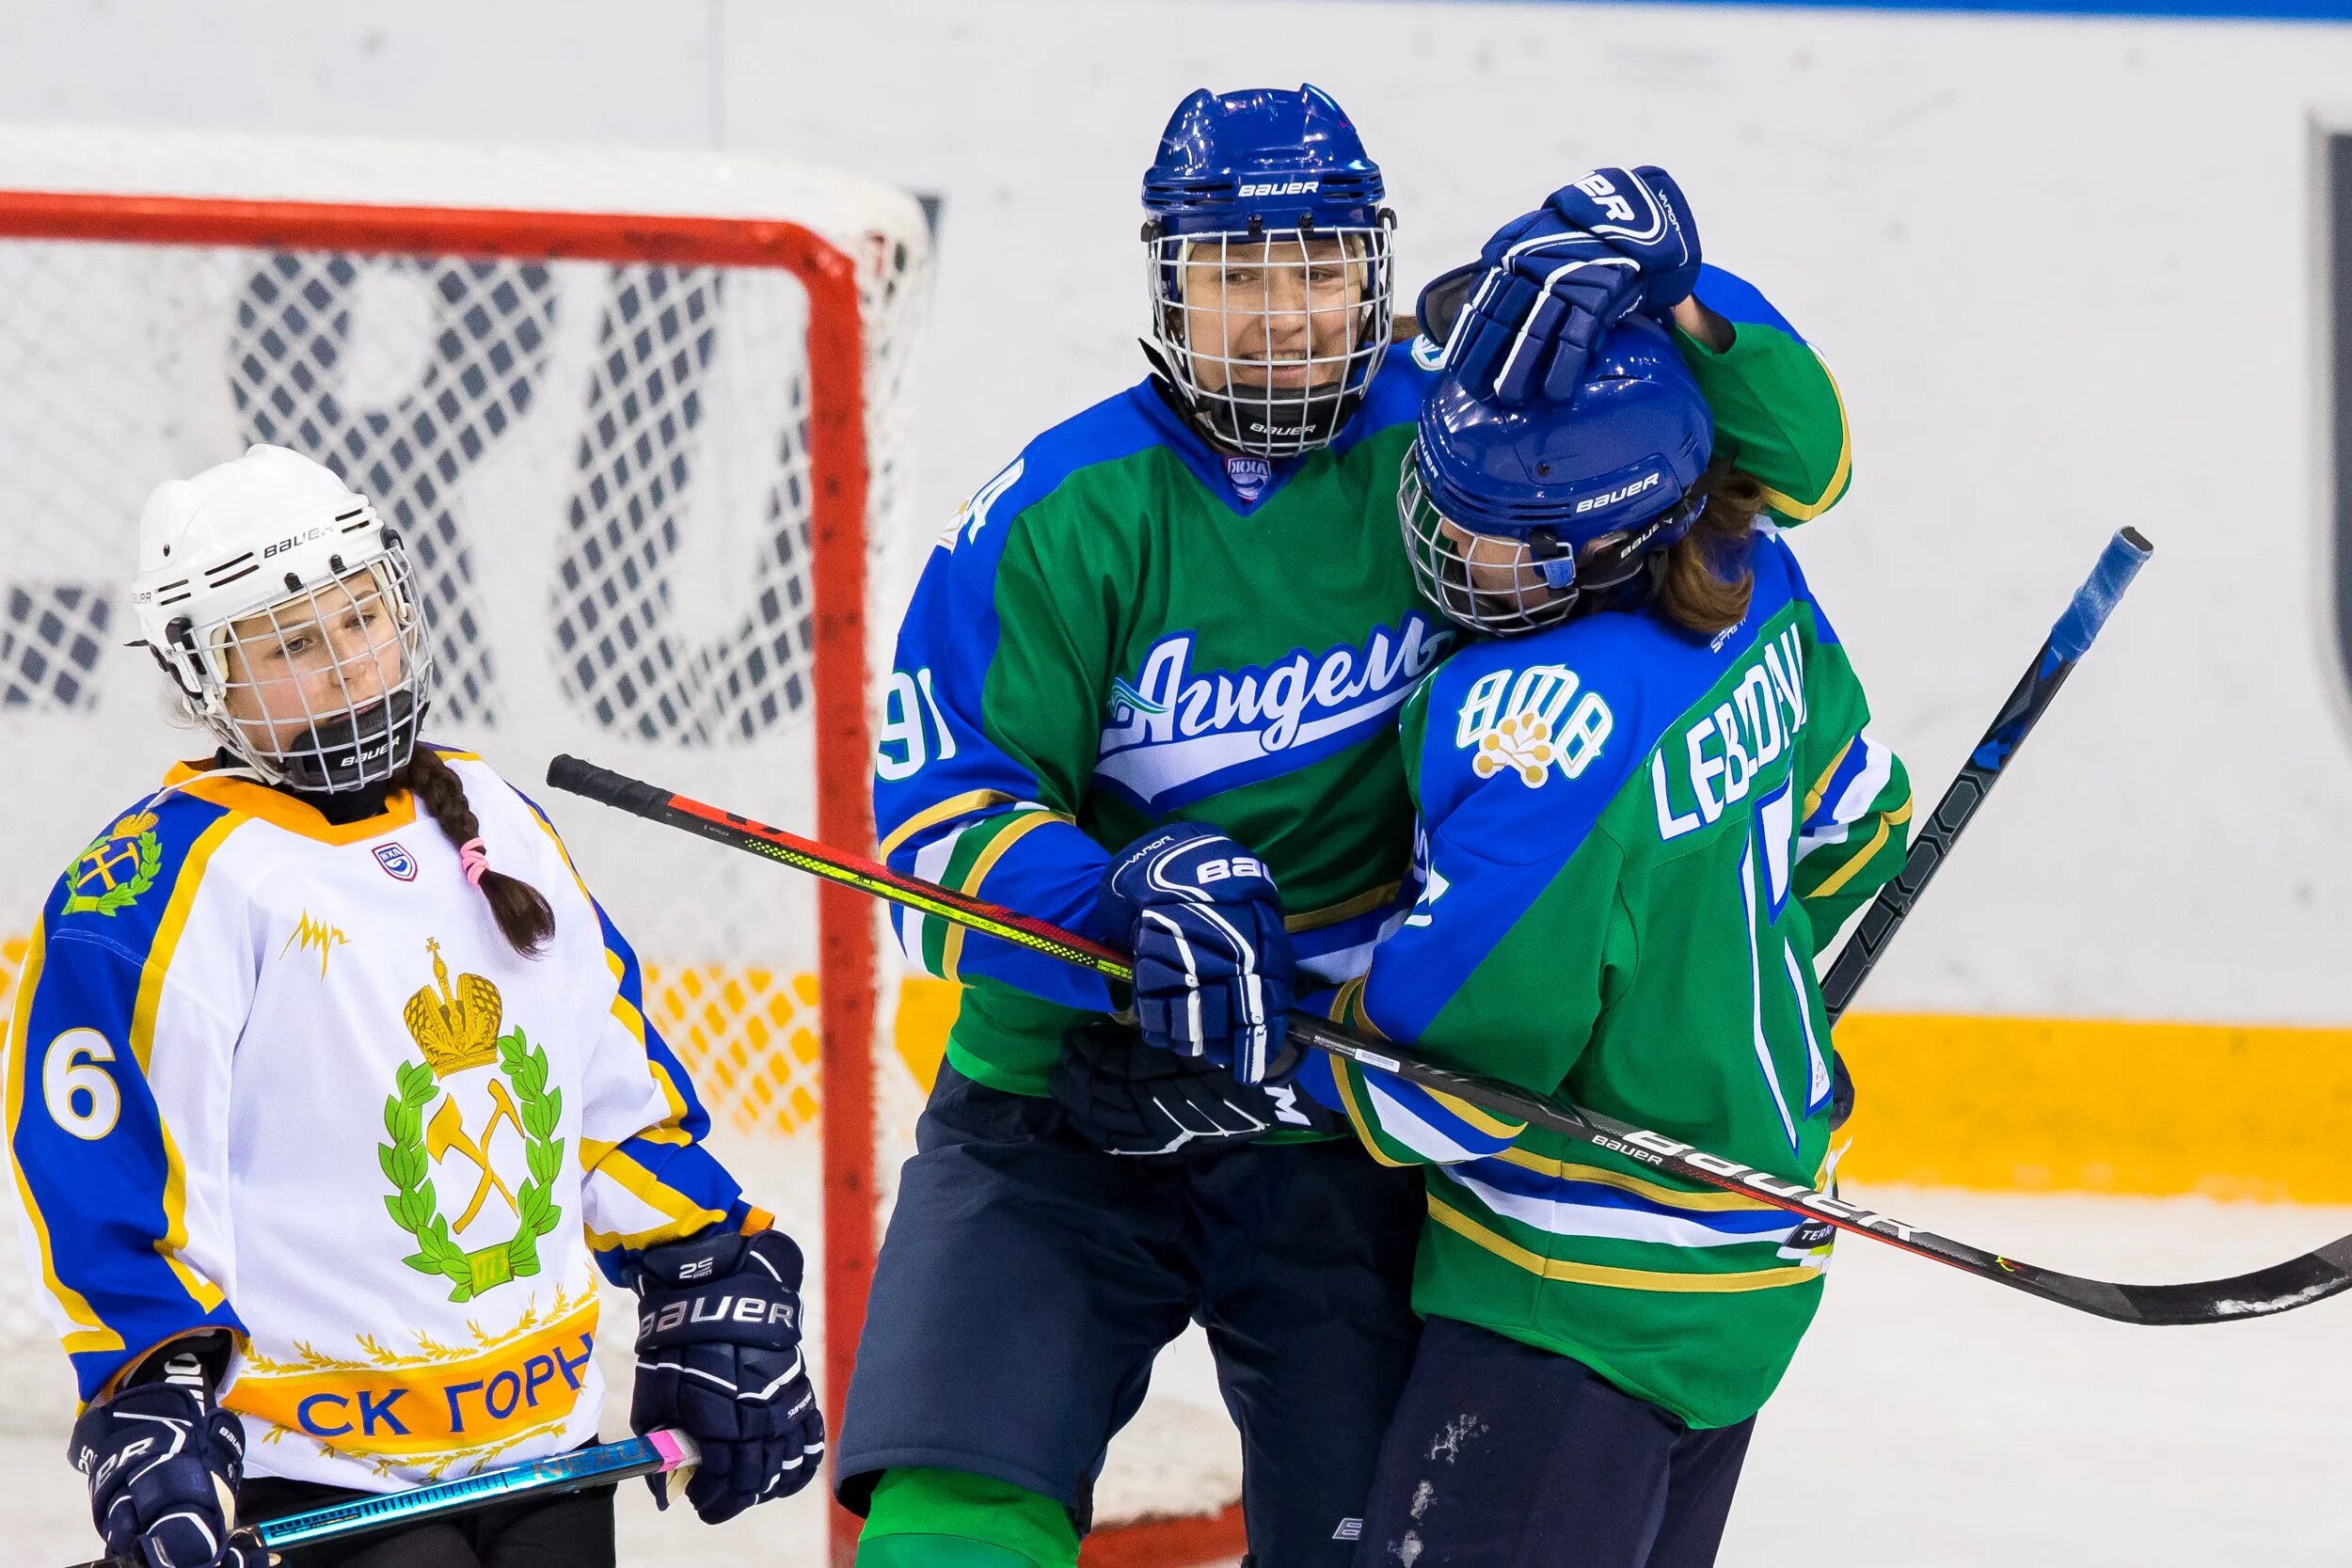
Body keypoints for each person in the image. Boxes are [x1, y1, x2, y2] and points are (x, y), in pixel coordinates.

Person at [844, 84, 1856, 1568]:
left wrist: (1692, 302)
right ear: (1166, 282)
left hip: (1342, 1110)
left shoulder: (1468, 435)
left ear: (1374, 268)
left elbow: (1795, 470)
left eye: (1317, 268)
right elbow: (935, 824)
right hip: (1068, 1093)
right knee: (954, 1522)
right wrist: (1114, 899)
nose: (1282, 314)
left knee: (1365, 1540)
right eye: (1235, 273)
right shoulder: (1058, 511)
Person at [6, 446, 822, 1568]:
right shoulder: (151, 891)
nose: (348, 662)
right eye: (291, 645)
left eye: (362, 617)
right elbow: (111, 1182)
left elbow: (605, 1102)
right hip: (316, 1470)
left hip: (546, 1447)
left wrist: (706, 1267)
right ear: (201, 675)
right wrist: (152, 1406)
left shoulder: (495, 813)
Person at [1283, 319, 1912, 1567]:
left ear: (1611, 539)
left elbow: (1452, 1077)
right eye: (1450, 501)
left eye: (1502, 530)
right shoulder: (1752, 579)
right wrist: (1715, 1005)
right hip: (1754, 1251)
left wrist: (1286, 1045)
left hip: (1572, 1294)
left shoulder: (1542, 719)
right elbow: (1862, 826)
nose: (1452, 542)